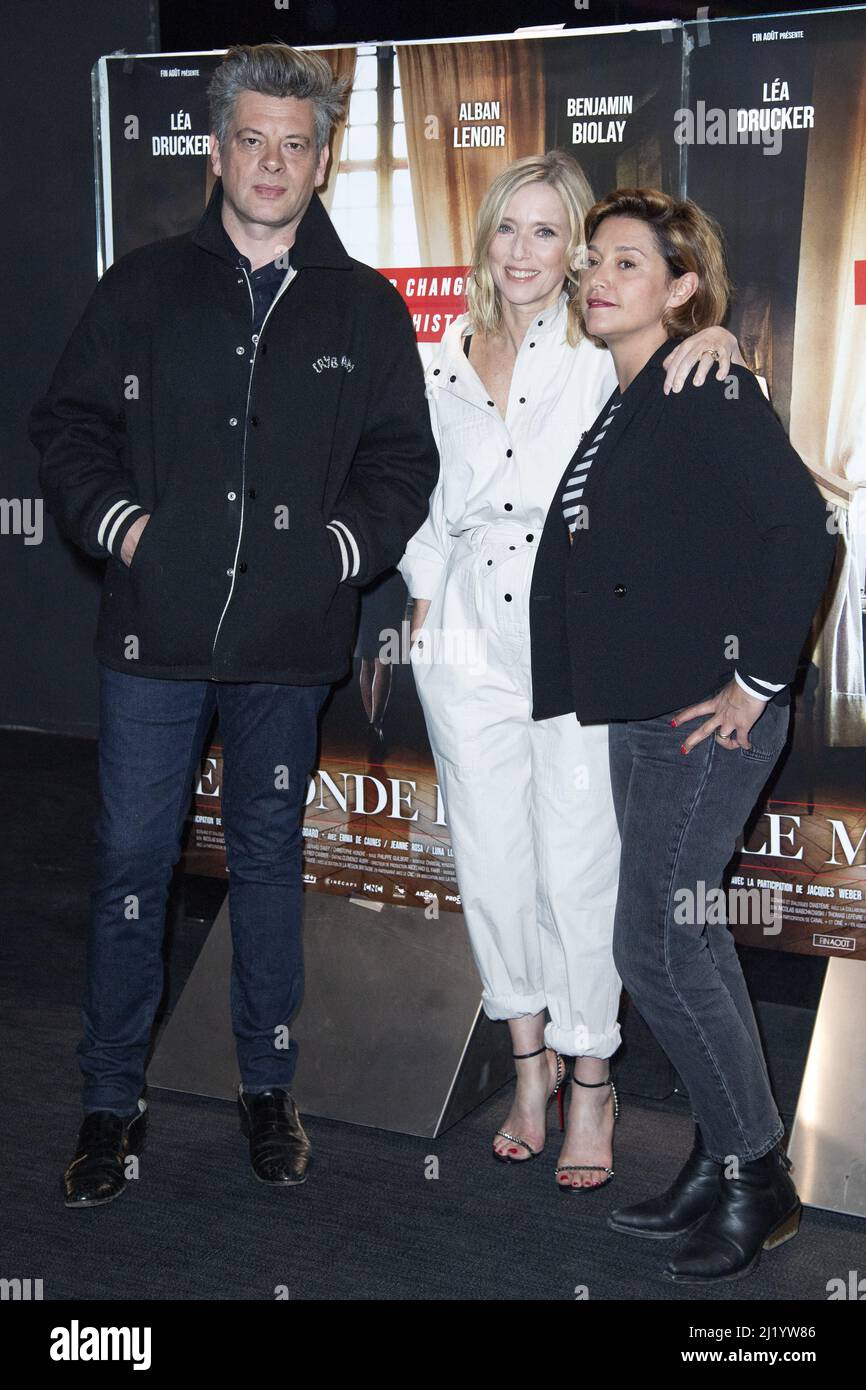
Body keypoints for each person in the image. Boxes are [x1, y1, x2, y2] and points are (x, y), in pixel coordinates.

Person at [29, 42, 439, 1204]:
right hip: (151, 640)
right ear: (216, 151)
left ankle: (268, 1083)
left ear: (322, 161)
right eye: (251, 139)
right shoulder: (143, 283)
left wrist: (333, 560)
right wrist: (134, 535)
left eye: (294, 144)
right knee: (129, 861)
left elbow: (398, 466)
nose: (271, 162)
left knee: (267, 860)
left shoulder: (364, 304)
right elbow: (66, 429)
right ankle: (112, 1095)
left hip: (286, 645)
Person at [399, 151, 743, 1190]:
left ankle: (592, 1074)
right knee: (492, 863)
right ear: (484, 239)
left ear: (577, 250)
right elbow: (415, 488)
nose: (522, 251)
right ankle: (528, 1065)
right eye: (508, 227)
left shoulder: (601, 348)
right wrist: (418, 596)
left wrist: (716, 333)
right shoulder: (439, 354)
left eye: (547, 232)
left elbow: (707, 385)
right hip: (461, 630)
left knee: (582, 860)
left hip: (576, 623)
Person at [530, 188, 837, 1277]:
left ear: (679, 286)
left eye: (625, 263)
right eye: (592, 263)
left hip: (702, 715)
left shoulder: (703, 383)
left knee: (653, 944)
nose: (595, 278)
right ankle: (719, 1161)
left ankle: (759, 1177)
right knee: (683, 940)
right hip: (647, 711)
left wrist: (757, 678)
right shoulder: (633, 393)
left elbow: (799, 526)